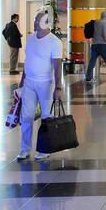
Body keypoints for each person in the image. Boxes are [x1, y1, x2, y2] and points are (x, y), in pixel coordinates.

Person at [18, 9, 63, 161]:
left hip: (46, 84)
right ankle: (25, 149)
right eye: (35, 20)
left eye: (38, 20)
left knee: (46, 117)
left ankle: (45, 149)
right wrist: (22, 83)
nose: (35, 23)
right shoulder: (30, 39)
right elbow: (27, 61)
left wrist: (58, 87)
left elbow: (57, 66)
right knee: (26, 116)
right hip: (29, 82)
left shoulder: (55, 42)